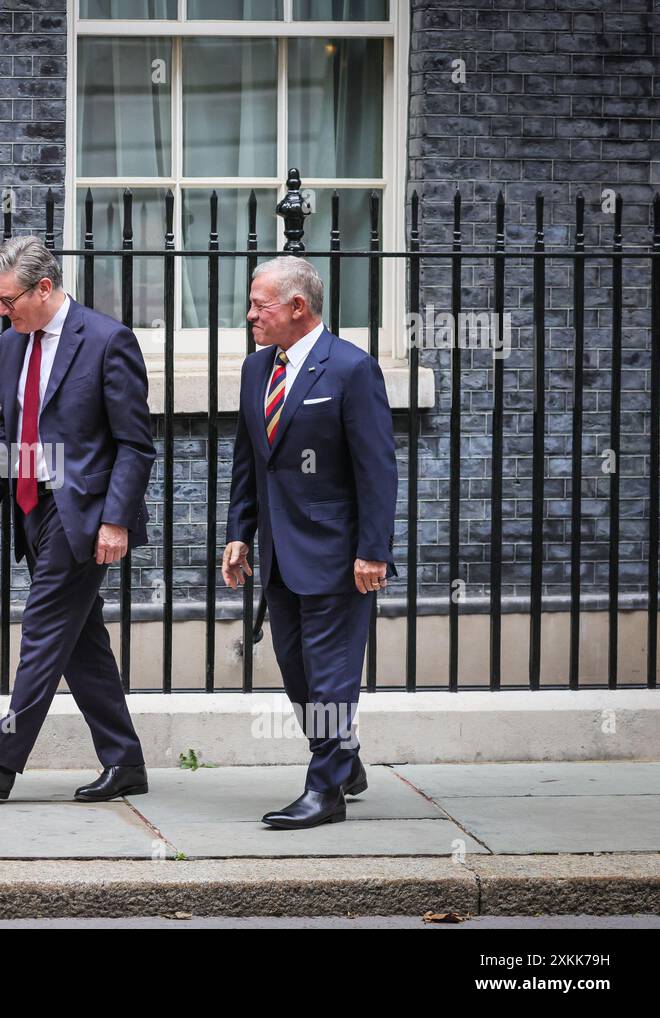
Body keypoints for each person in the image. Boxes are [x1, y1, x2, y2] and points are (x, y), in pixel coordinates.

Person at [0, 235, 155, 802]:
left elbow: (135, 444)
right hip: (31, 509)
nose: (0, 311)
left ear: (45, 288)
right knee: (81, 643)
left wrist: (116, 521)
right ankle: (124, 761)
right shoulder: (14, 344)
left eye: (7, 301)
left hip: (81, 513)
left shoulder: (107, 341)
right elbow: (11, 425)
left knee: (45, 626)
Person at [223, 256, 398, 830]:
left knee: (330, 676)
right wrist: (238, 533)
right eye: (251, 304)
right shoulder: (255, 370)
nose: (251, 314)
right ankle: (343, 758)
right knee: (297, 672)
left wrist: (374, 550)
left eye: (260, 304)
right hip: (276, 552)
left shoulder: (351, 368)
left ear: (298, 307)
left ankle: (325, 790)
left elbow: (377, 468)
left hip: (336, 554)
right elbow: (251, 460)